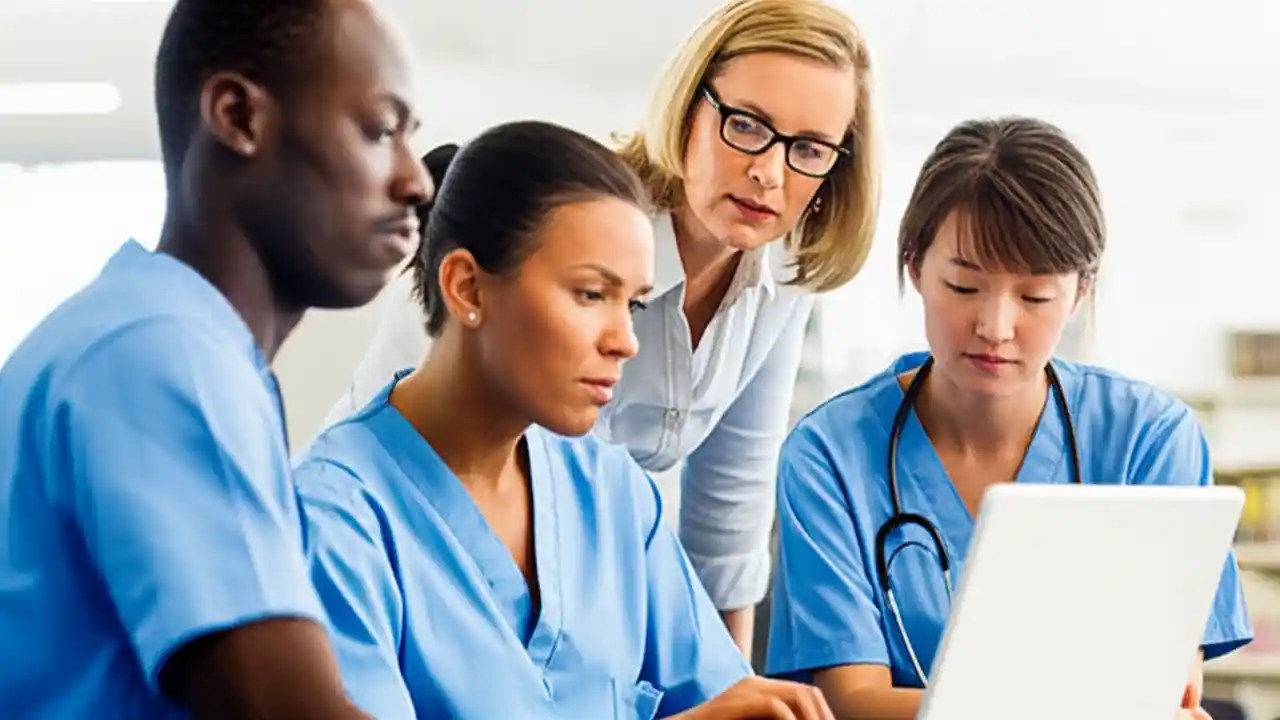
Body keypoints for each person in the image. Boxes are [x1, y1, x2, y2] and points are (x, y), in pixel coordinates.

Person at [322, 0, 881, 656]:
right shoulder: (575, 224)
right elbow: (425, 440)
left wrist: (732, 685)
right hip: (410, 541)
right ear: (688, 105)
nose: (769, 172)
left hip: (569, 586)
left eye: (810, 149)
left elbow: (729, 511)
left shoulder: (785, 264)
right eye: (747, 125)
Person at [295, 120, 835, 720]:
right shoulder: (331, 522)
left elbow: (725, 699)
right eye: (589, 294)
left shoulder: (614, 496)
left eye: (631, 303)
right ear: (468, 287)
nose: (625, 340)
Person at [0, 0, 430, 716]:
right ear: (237, 116)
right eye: (380, 130)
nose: (416, 181)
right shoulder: (162, 354)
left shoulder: (145, 334)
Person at [764, 116, 1253, 720]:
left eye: (1035, 297)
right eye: (964, 287)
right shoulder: (828, 453)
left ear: (1080, 292)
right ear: (914, 267)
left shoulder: (1150, 439)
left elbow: (1166, 687)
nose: (995, 327)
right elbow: (852, 701)